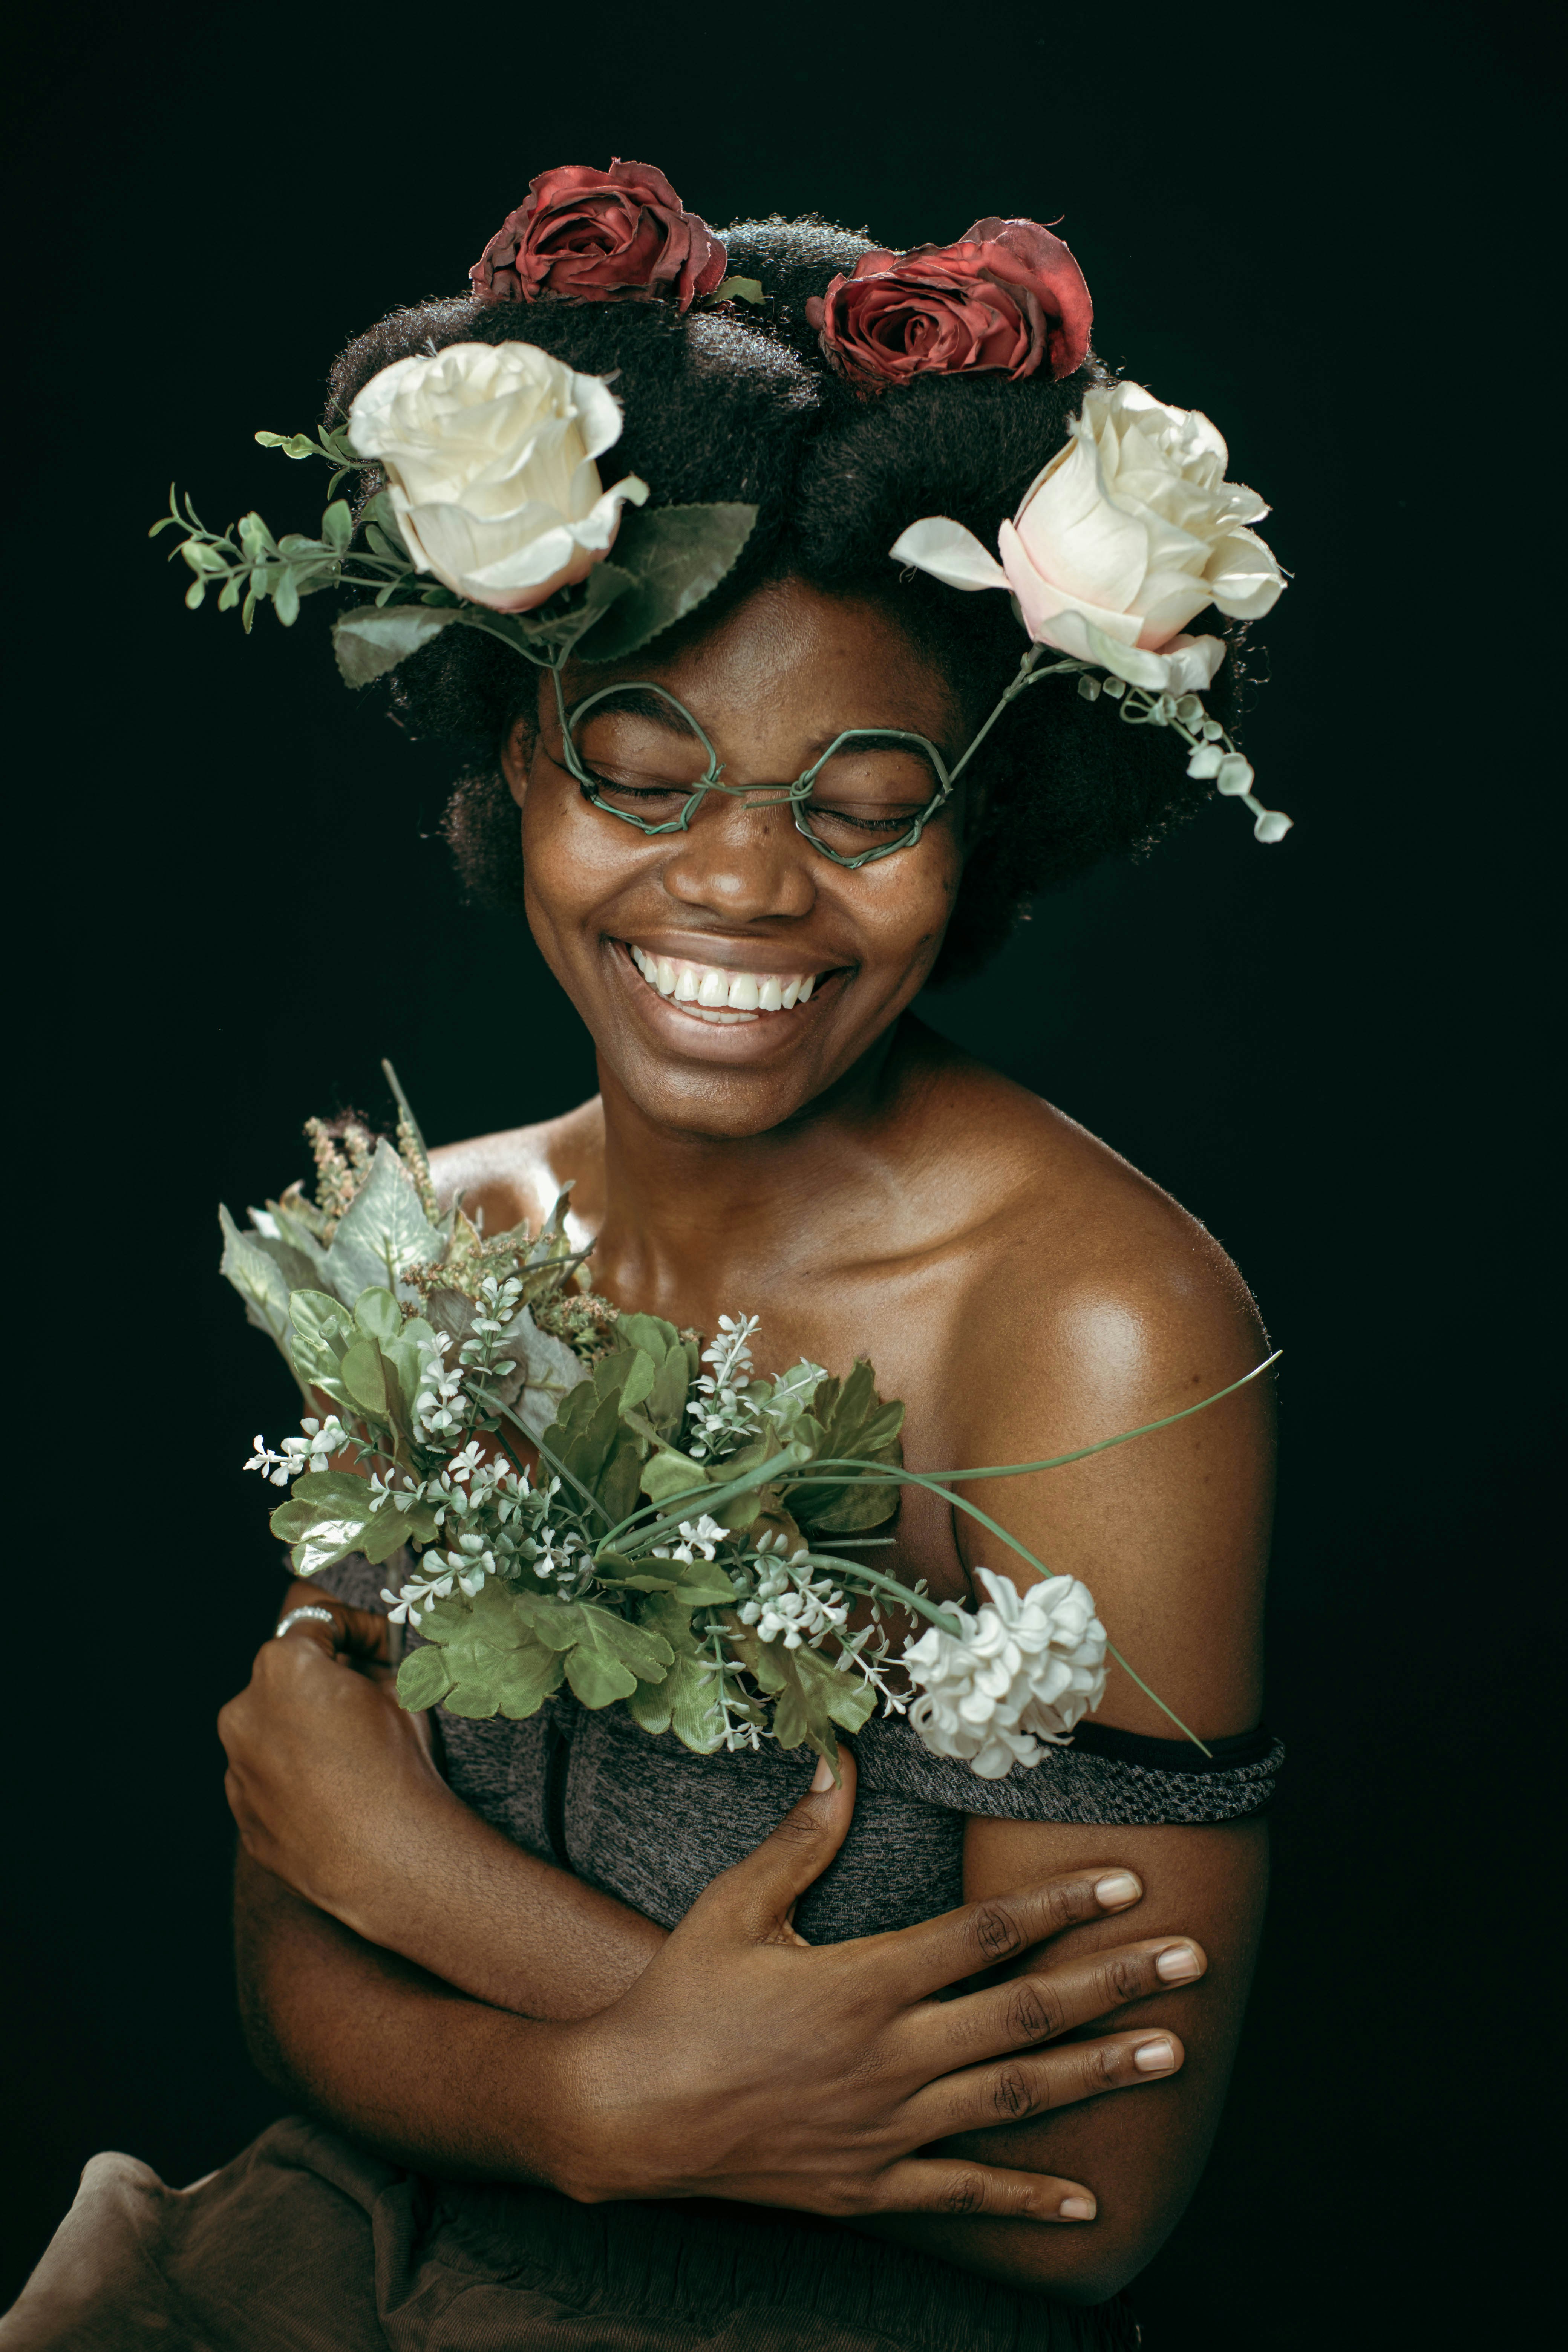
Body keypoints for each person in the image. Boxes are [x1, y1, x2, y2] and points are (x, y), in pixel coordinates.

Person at [2, 170, 1282, 2352]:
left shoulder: (1097, 1327)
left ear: (987, 822)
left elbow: (1084, 2200)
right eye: (641, 766)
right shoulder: (441, 1236)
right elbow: (284, 1970)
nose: (745, 884)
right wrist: (586, 2099)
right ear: (522, 765)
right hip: (329, 2261)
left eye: (863, 802)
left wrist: (470, 1923)